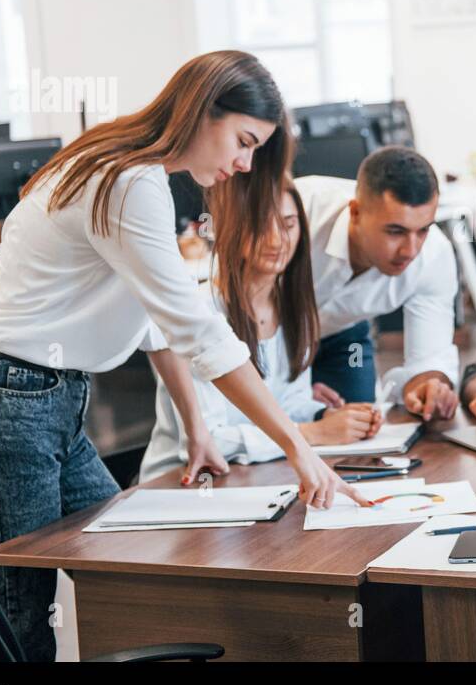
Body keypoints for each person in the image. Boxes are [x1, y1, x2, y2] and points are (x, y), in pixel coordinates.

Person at [0, 50, 367, 662]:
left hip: (42, 399)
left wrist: (196, 428)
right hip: (5, 403)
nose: (244, 164)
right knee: (19, 623)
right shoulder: (130, 181)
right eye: (242, 142)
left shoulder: (134, 173)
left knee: (125, 567)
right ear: (203, 111)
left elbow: (159, 321)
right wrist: (299, 447)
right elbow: (199, 333)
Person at [139, 175, 383, 483]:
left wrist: (328, 417)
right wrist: (315, 433)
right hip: (182, 485)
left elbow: (287, 404)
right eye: (260, 224)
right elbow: (211, 440)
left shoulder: (295, 311)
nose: (277, 239)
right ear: (231, 227)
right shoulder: (199, 316)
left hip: (257, 480)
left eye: (289, 223)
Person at [296, 146, 461, 422]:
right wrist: (291, 391)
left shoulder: (434, 255)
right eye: (395, 231)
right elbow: (236, 315)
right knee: (277, 418)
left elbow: (430, 358)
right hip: (265, 338)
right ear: (356, 212)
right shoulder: (297, 210)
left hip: (345, 339)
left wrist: (428, 385)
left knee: (357, 417)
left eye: (422, 230)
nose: (410, 250)